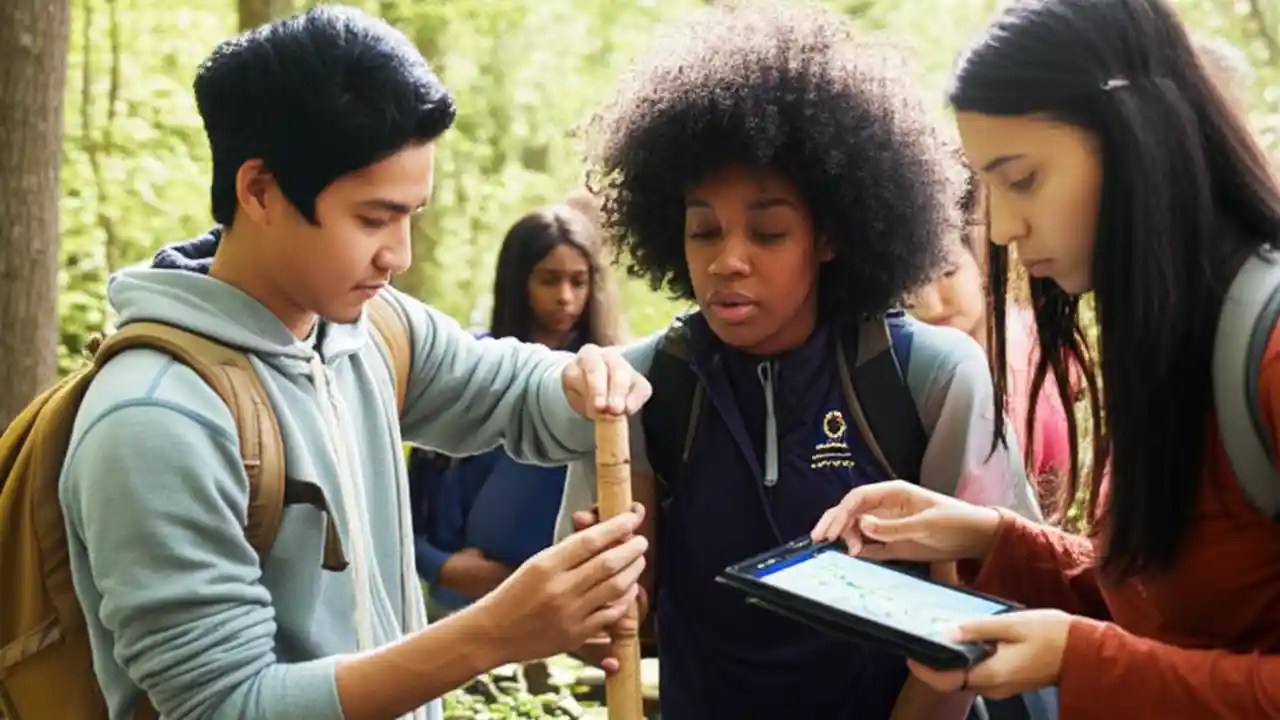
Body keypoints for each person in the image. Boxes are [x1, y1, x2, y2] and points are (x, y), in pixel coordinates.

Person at [59, 8, 652, 720]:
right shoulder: (154, 419)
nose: (398, 255)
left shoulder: (369, 328)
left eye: (411, 216)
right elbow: (228, 707)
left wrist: (585, 380)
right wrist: (494, 633)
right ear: (258, 191)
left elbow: (515, 393)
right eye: (373, 219)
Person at [556, 3, 1042, 718]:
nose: (728, 260)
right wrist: (600, 596)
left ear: (831, 237)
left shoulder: (929, 379)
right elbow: (599, 635)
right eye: (703, 231)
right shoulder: (635, 390)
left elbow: (974, 638)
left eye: (770, 231)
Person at [812, 0, 1280, 717]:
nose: (1001, 226)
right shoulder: (1178, 337)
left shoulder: (1267, 351)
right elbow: (1175, 604)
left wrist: (1081, 658)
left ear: (1137, 141)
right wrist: (992, 536)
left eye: (1022, 178)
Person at [408, 201, 622, 617]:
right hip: (460, 605)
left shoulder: (610, 380)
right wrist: (443, 567)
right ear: (517, 280)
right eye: (549, 280)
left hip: (566, 604)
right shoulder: (469, 368)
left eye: (578, 282)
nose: (565, 298)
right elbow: (404, 507)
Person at [909, 168, 1073, 517]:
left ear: (984, 253)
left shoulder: (1034, 348)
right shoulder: (914, 366)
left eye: (948, 273)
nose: (930, 303)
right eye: (910, 285)